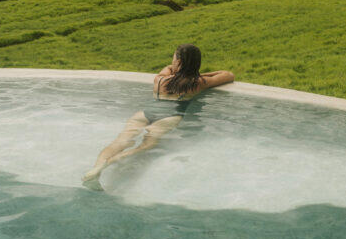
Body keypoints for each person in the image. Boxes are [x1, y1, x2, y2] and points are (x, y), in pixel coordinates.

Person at [82, 44, 234, 190]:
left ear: (178, 62)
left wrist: (179, 70)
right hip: (169, 116)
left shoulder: (160, 79)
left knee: (121, 141)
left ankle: (96, 168)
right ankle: (106, 166)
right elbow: (228, 75)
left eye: (174, 58)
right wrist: (194, 73)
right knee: (145, 147)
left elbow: (168, 69)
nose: (171, 61)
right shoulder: (199, 82)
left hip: (145, 113)